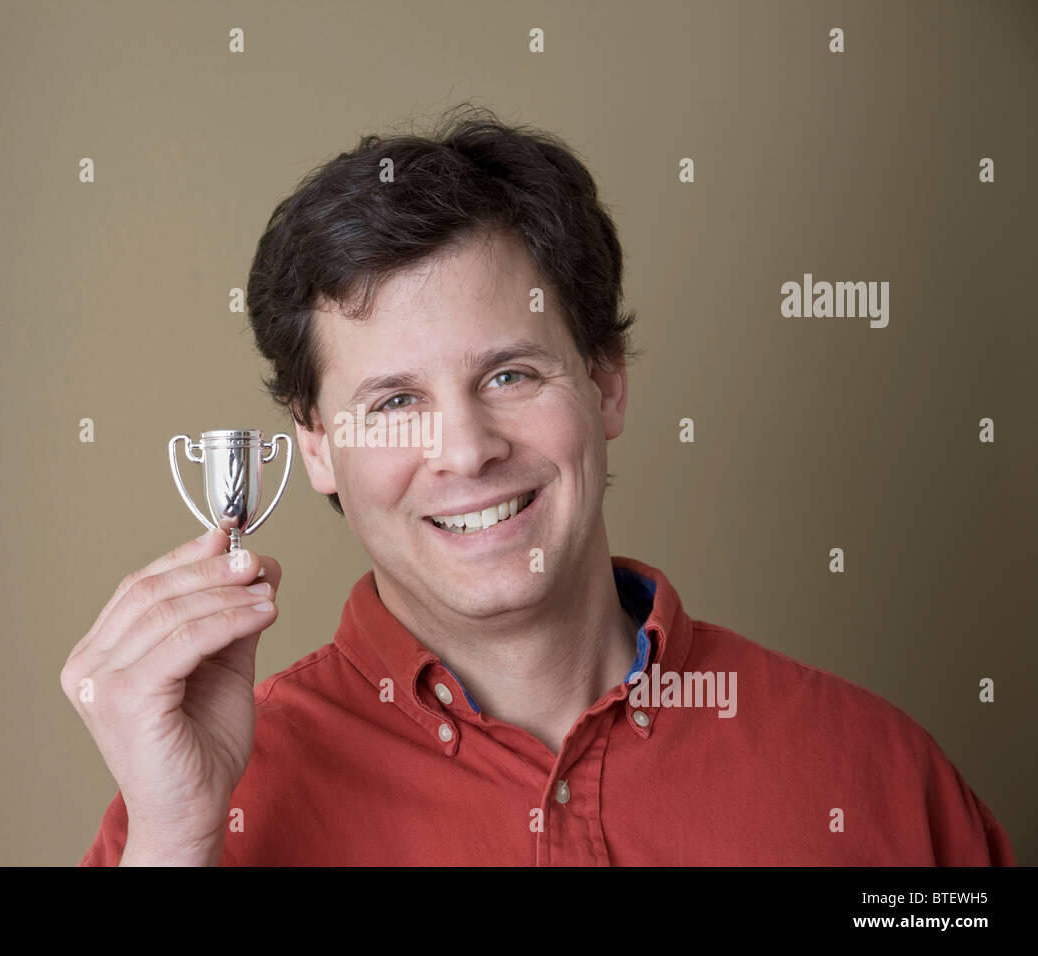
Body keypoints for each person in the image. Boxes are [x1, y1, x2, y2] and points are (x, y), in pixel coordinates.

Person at [62, 105, 1014, 866]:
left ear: (606, 384)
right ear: (315, 447)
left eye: (510, 375)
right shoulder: (186, 814)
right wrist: (178, 845)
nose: (466, 450)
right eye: (393, 402)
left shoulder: (877, 776)